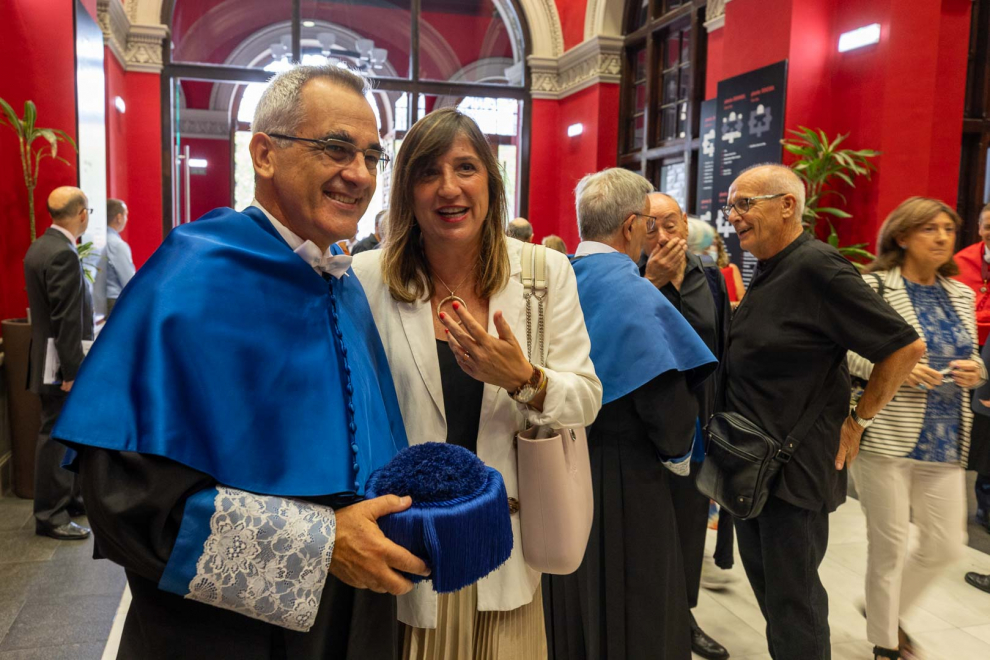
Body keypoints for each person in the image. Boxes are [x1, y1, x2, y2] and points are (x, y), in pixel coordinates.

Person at [51, 64, 428, 659]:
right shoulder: (193, 276)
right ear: (264, 153)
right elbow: (123, 497)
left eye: (372, 156)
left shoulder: (343, 284)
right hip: (225, 633)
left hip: (348, 618)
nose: (358, 174)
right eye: (335, 148)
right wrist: (321, 545)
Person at [352, 107, 601, 660]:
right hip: (408, 549)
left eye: (466, 168)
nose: (449, 188)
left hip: (504, 550)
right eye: (427, 173)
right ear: (407, 192)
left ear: (491, 181)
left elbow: (586, 398)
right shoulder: (367, 280)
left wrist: (526, 380)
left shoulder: (542, 273)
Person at [722, 163, 924, 660]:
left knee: (796, 606)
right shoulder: (771, 265)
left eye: (745, 203)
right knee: (775, 597)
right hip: (752, 463)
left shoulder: (818, 266)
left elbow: (904, 348)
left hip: (794, 470)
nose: (734, 216)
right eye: (731, 206)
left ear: (788, 204)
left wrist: (859, 419)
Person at [544, 168, 717, 660]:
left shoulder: (556, 278)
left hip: (559, 463)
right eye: (646, 222)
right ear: (629, 226)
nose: (650, 234)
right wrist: (678, 456)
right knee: (633, 603)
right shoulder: (637, 292)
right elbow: (666, 403)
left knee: (572, 597)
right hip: (626, 473)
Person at [848, 197, 985, 660]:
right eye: (930, 228)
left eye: (949, 228)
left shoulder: (961, 293)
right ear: (902, 236)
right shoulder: (874, 287)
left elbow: (972, 352)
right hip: (886, 434)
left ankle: (881, 609)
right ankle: (885, 644)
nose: (943, 237)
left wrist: (977, 371)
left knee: (948, 544)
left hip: (946, 437)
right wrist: (897, 371)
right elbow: (846, 352)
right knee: (889, 546)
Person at [640, 192, 730, 660]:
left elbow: (723, 348)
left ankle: (684, 617)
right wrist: (651, 282)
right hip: (641, 428)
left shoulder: (709, 279)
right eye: (651, 225)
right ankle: (647, 616)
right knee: (646, 527)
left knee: (690, 527)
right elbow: (617, 334)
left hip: (697, 425)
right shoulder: (629, 276)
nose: (663, 235)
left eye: (670, 223)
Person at [23, 186, 94, 541]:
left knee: (56, 432)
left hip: (45, 358)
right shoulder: (63, 253)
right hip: (59, 364)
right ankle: (50, 514)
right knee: (55, 436)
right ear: (82, 213)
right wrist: (71, 372)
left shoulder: (40, 246)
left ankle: (69, 498)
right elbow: (66, 319)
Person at [952, 202, 990, 532]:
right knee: (977, 428)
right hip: (969, 352)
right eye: (988, 225)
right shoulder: (961, 261)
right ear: (980, 228)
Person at [103, 198, 136, 315]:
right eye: (126, 215)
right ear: (119, 217)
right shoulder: (117, 244)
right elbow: (129, 280)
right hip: (116, 302)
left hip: (101, 301)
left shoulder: (100, 240)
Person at [712, 234, 745, 306]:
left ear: (719, 247)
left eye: (713, 244)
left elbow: (744, 303)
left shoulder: (731, 269)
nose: (709, 248)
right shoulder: (695, 273)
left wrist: (727, 306)